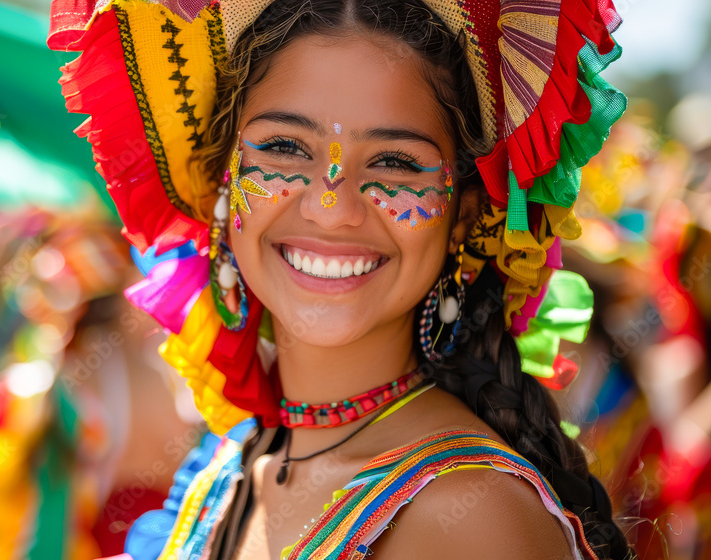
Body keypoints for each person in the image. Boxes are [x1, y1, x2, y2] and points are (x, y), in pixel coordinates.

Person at [49, 0, 633, 558]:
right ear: (224, 179)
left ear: (465, 215)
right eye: (283, 148)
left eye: (395, 163)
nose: (331, 207)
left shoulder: (471, 517)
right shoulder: (229, 465)